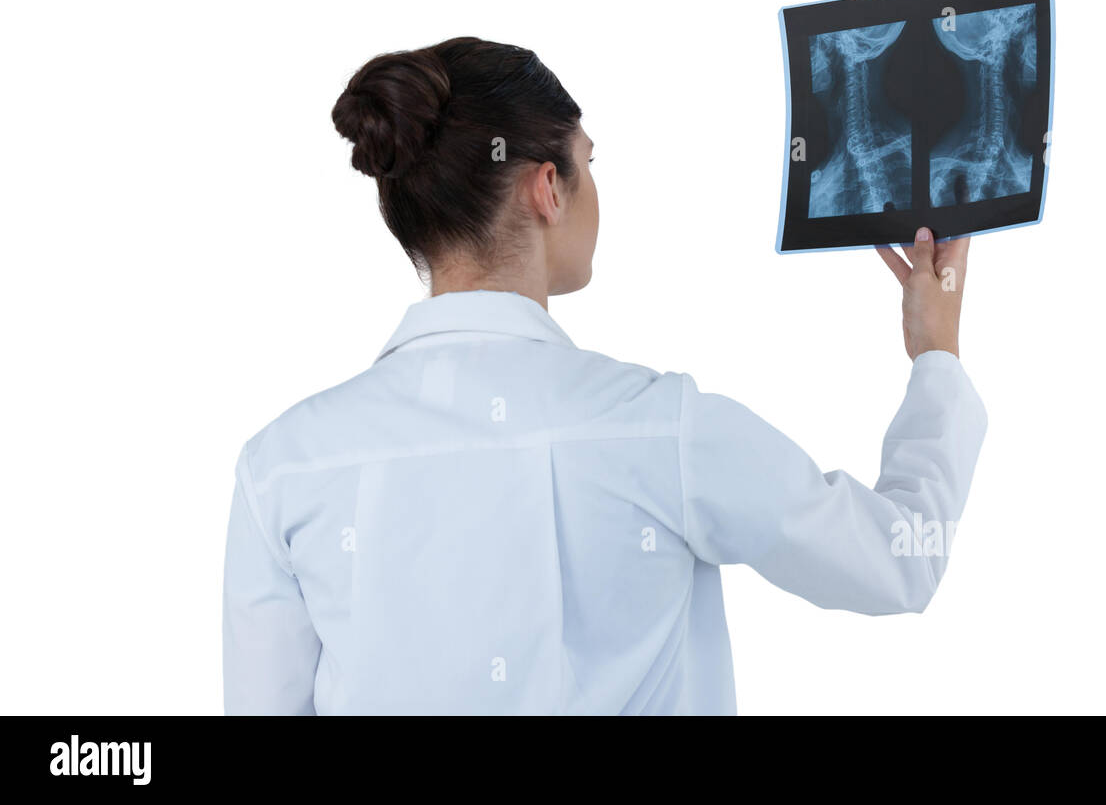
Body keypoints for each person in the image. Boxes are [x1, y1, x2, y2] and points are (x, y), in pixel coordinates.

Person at [222, 36, 988, 715]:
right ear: (546, 189)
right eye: (589, 163)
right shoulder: (663, 429)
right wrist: (937, 358)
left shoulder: (284, 465)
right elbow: (899, 562)